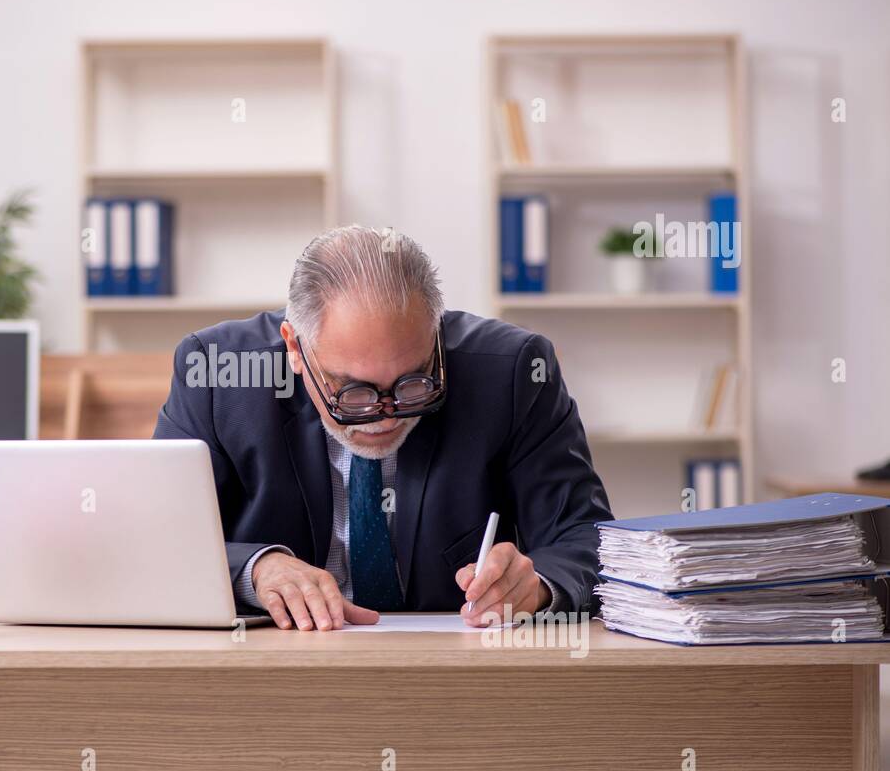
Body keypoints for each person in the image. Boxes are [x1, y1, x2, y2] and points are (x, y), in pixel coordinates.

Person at [154, 225, 612, 631]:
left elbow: (588, 537)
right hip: (274, 668)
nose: (385, 414)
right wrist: (255, 570)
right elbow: (158, 535)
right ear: (295, 348)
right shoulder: (216, 373)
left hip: (457, 671)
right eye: (353, 391)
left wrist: (536, 586)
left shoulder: (513, 372)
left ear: (435, 338)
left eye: (414, 382)